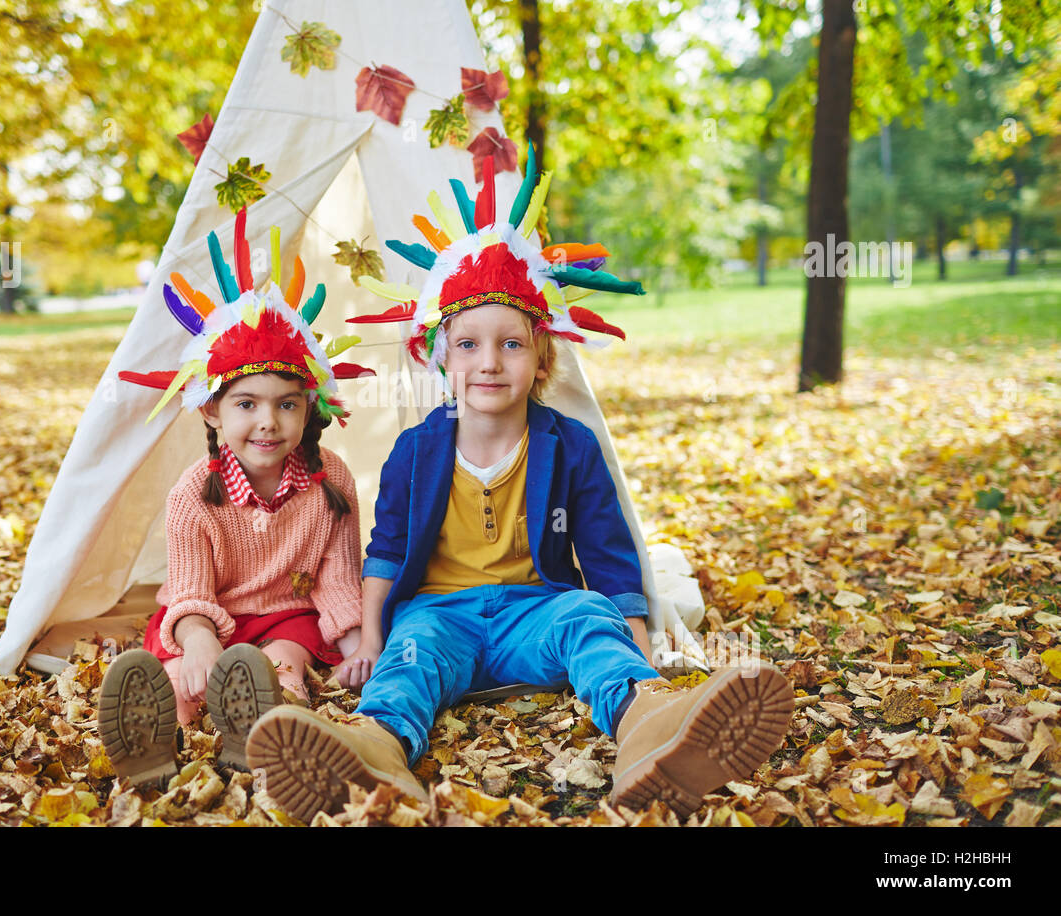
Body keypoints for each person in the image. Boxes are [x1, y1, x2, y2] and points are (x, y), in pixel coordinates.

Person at [246, 152, 794, 821]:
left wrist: (640, 644)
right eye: (470, 344)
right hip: (439, 615)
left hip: (535, 613)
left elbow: (608, 554)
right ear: (442, 355)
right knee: (407, 660)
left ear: (542, 356)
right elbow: (385, 551)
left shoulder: (568, 445)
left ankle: (650, 727)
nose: (489, 362)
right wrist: (368, 640)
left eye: (511, 344)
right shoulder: (416, 453)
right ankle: (375, 746)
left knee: (587, 620)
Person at [96, 208, 376, 786]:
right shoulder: (193, 494)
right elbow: (192, 590)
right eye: (246, 403)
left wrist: (356, 646)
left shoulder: (332, 482)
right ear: (211, 409)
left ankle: (253, 734)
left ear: (309, 407)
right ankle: (153, 745)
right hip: (208, 619)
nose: (268, 422)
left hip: (286, 619)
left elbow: (338, 579)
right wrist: (198, 644)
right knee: (181, 674)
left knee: (284, 665)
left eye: (287, 403)